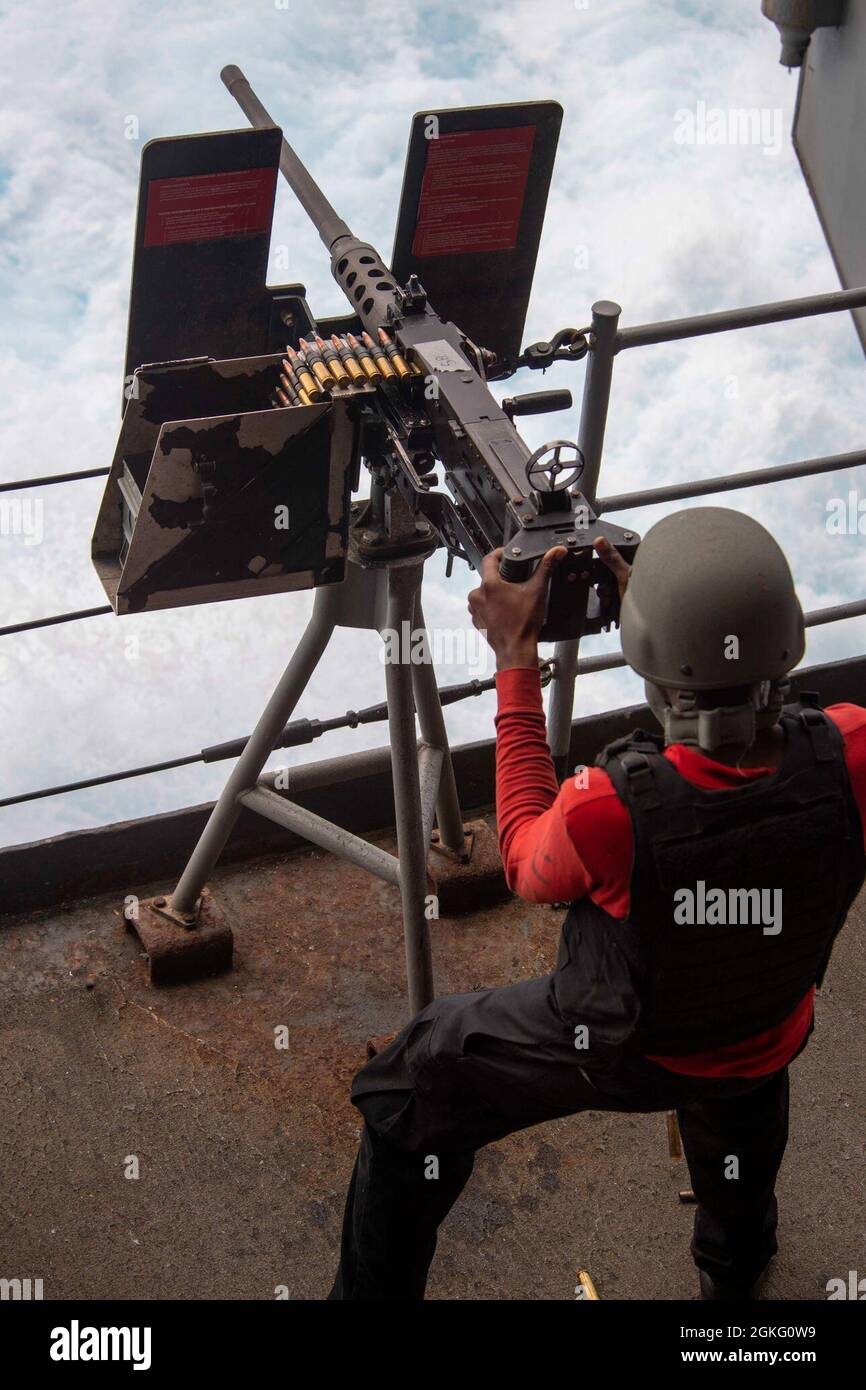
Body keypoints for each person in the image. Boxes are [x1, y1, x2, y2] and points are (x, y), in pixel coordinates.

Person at [328, 507, 866, 1301]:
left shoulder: (608, 810)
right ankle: (736, 1273)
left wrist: (514, 659)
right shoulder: (852, 751)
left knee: (415, 1075)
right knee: (739, 1067)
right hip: (768, 1026)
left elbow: (522, 858)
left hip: (623, 1047)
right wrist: (661, 611)